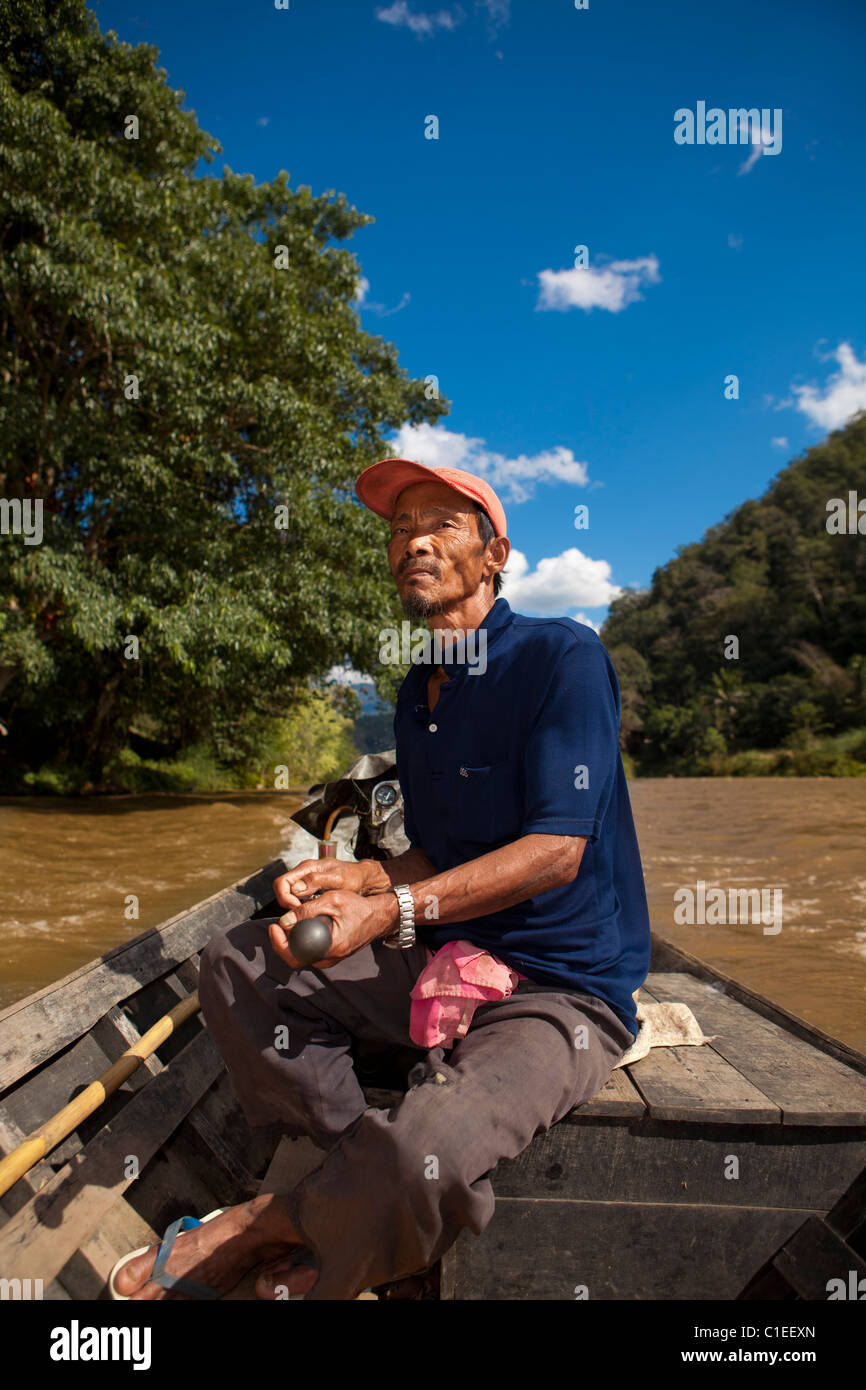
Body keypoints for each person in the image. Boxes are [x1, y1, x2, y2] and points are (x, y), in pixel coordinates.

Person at [113, 458, 651, 1301]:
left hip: (561, 987)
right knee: (240, 965)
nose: (414, 543)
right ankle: (351, 1196)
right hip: (446, 943)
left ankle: (267, 1223)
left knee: (419, 1145)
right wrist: (359, 875)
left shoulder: (562, 659)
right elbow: (439, 853)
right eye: (400, 530)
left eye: (441, 525)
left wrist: (389, 908)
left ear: (495, 553)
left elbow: (556, 851)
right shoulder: (418, 692)